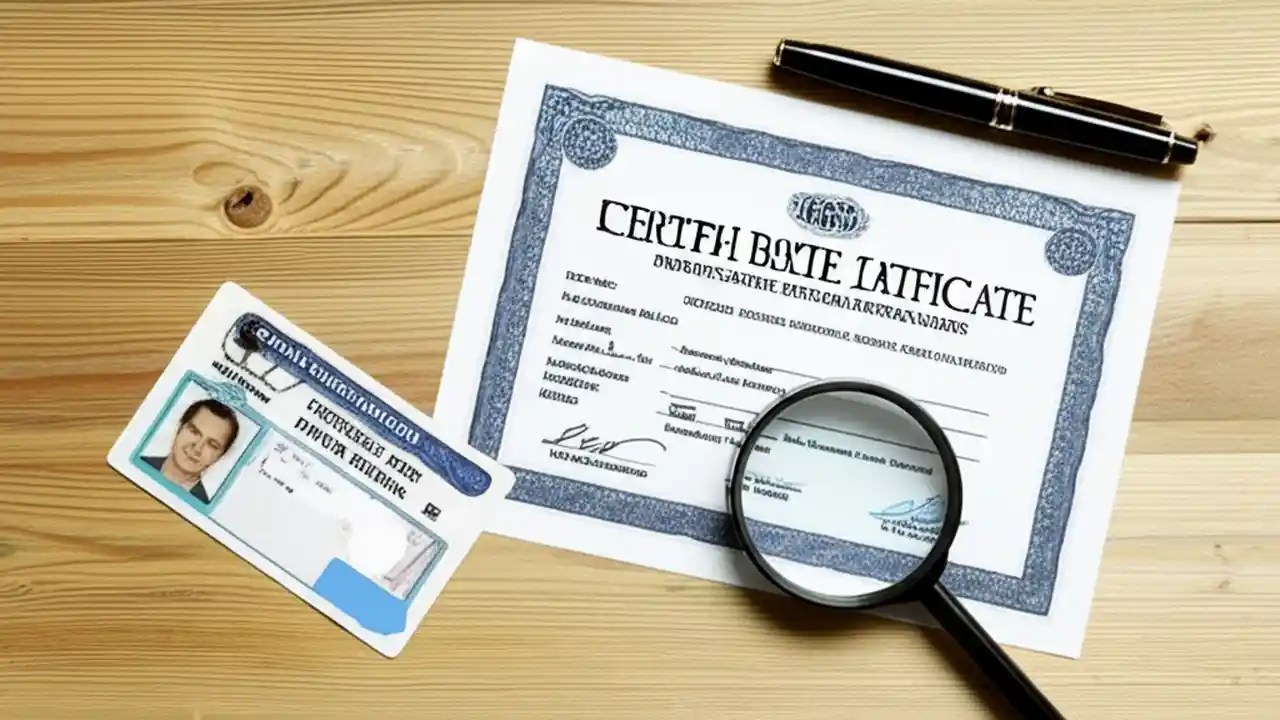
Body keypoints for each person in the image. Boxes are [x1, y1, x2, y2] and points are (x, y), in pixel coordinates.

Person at [142, 398, 240, 503]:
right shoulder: (140, 463)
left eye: (212, 445)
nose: (197, 448)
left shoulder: (202, 506)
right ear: (179, 428)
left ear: (220, 456)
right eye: (194, 432)